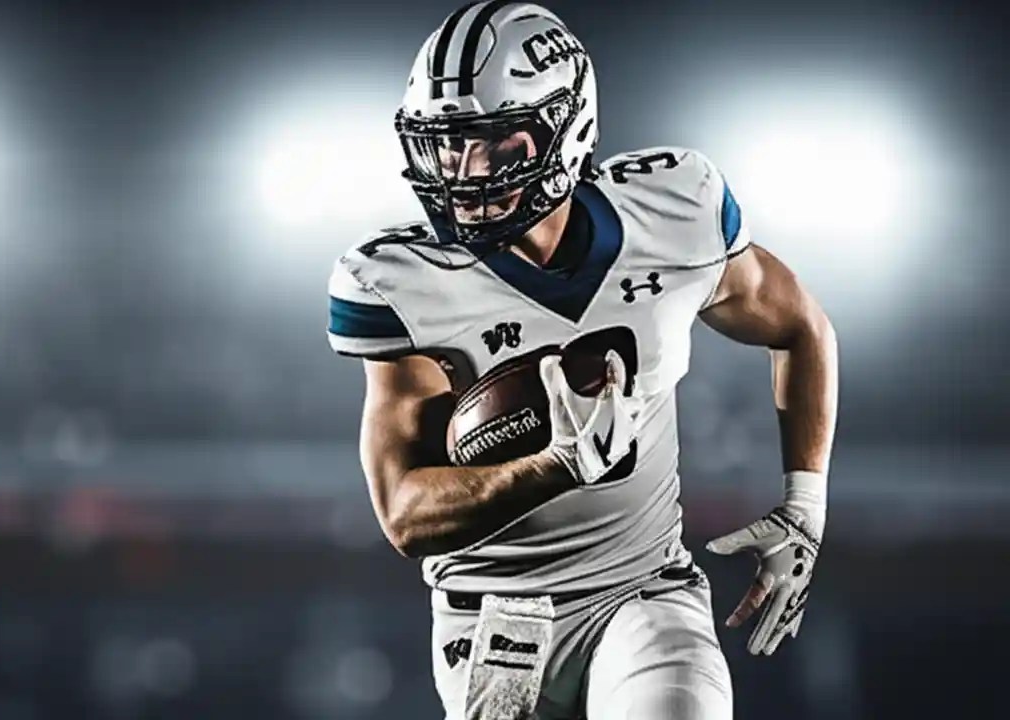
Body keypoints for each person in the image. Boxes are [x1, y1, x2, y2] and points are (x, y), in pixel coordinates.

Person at [325, 2, 838, 718]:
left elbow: (802, 327)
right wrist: (553, 468)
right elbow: (404, 515)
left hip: (642, 591)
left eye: (495, 144)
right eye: (447, 145)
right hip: (492, 616)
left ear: (565, 130)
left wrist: (804, 507)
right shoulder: (400, 280)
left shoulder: (673, 211)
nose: (464, 173)